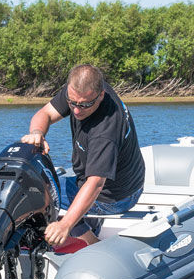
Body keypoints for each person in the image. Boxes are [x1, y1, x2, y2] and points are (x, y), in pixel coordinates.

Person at [21, 64, 145, 247]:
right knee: (42, 185)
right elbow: (45, 113)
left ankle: (92, 243)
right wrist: (37, 132)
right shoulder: (80, 91)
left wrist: (65, 224)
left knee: (42, 193)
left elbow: (95, 184)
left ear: (101, 95)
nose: (77, 111)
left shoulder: (105, 131)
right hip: (109, 181)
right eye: (72, 103)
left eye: (85, 105)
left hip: (117, 196)